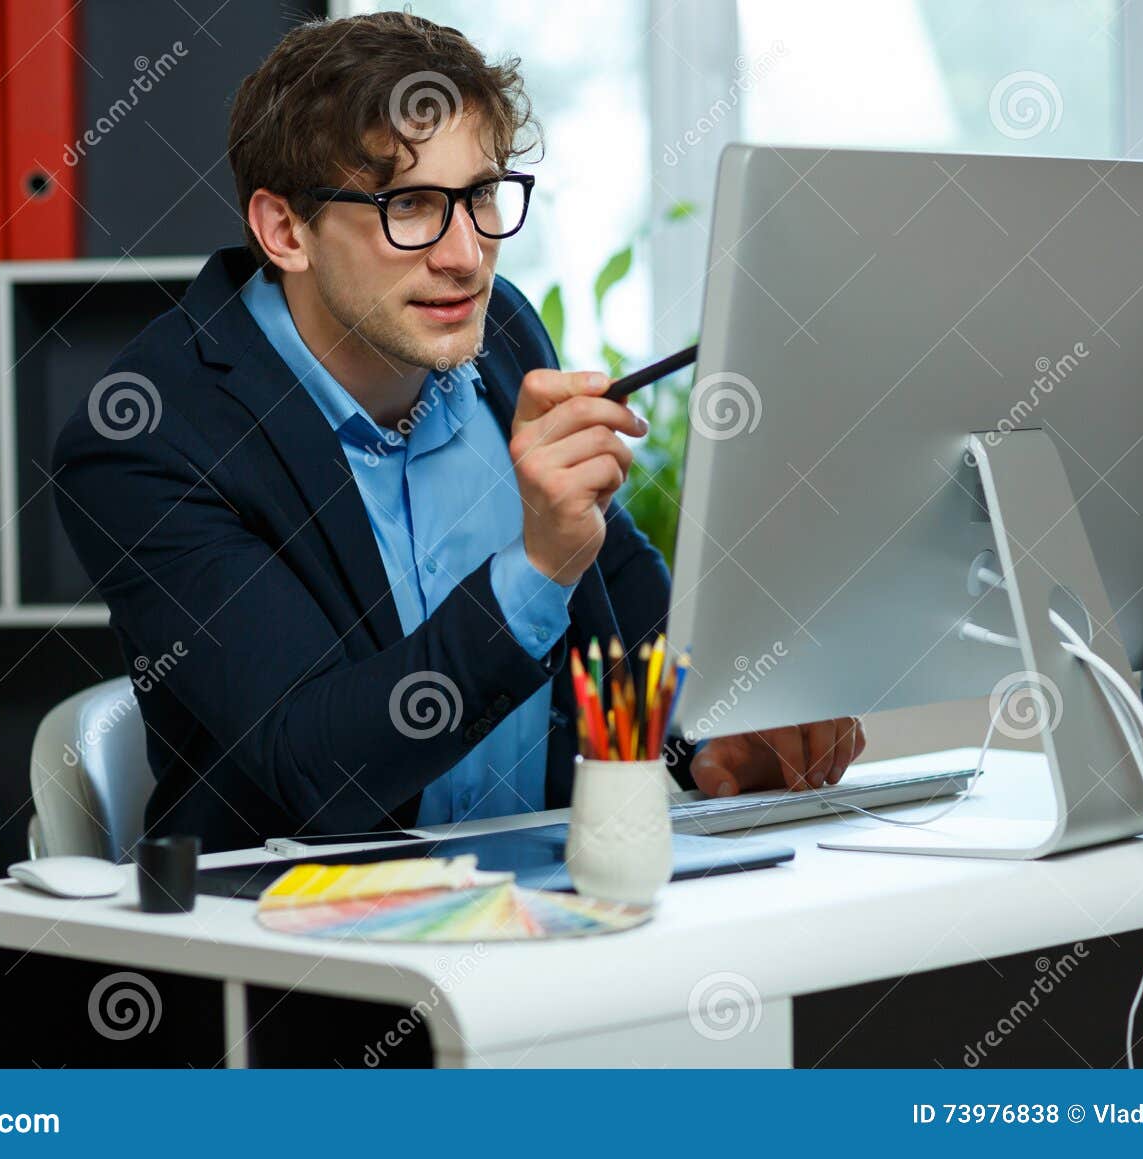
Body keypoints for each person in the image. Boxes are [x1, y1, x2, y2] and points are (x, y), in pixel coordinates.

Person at [53, 10, 865, 851]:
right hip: (305, 948)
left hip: (549, 904)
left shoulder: (500, 329)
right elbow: (311, 763)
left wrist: (710, 730)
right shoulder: (145, 439)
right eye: (409, 205)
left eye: (479, 197)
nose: (466, 256)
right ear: (285, 230)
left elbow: (611, 575)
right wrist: (538, 563)